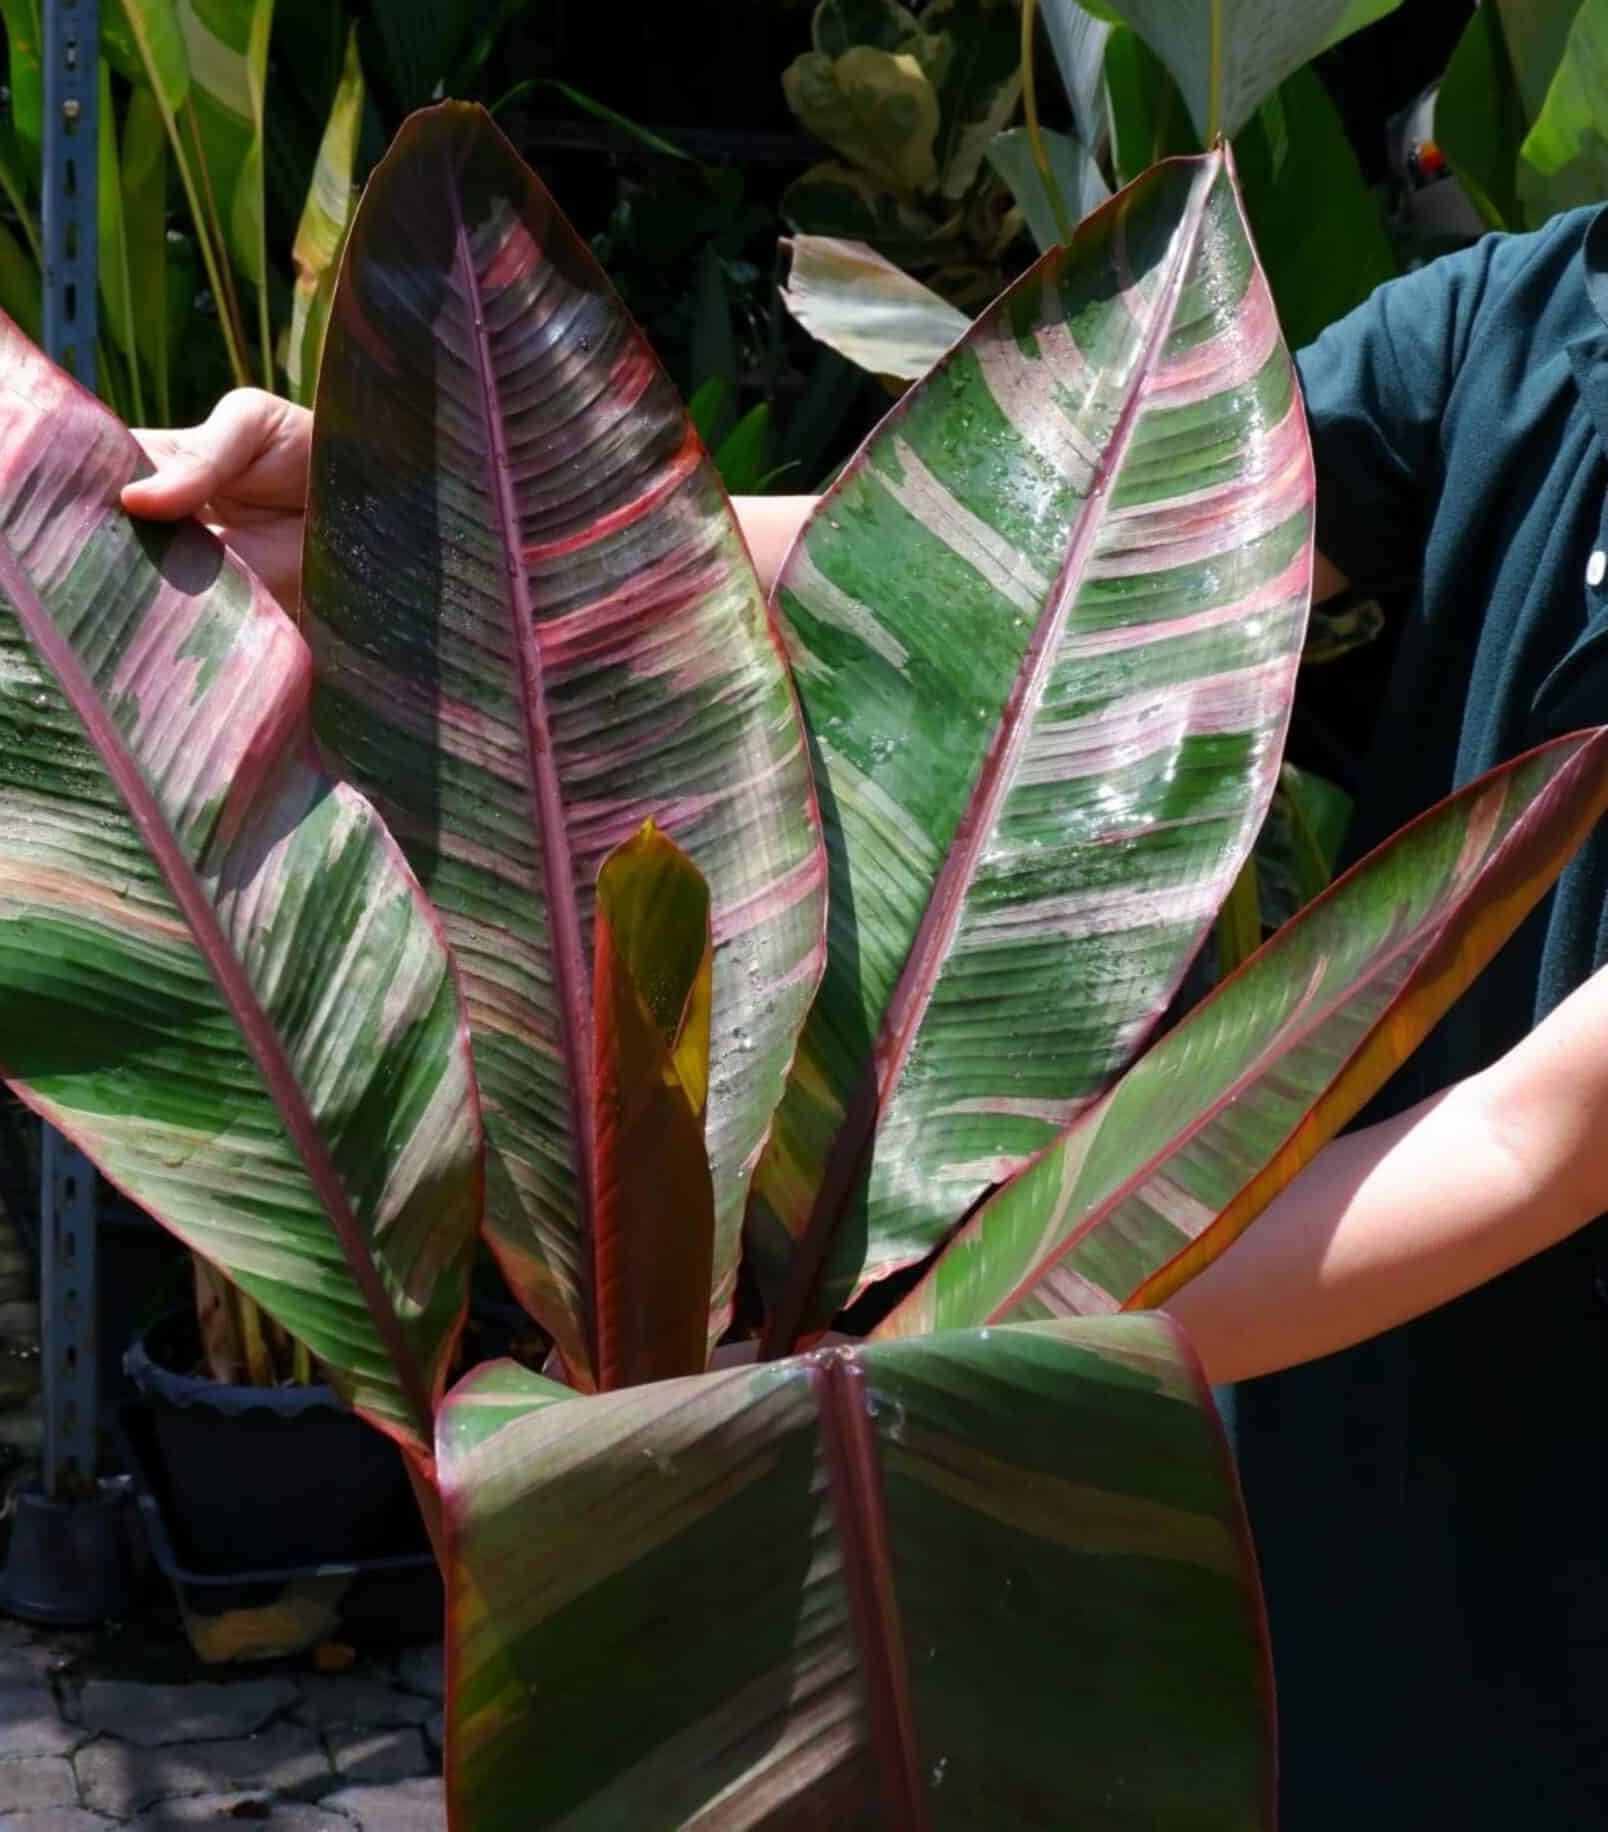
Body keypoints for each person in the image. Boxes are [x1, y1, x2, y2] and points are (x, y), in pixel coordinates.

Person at [124, 206, 1608, 1821]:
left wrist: (892, 1360)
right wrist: (410, 530)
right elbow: (1042, 575)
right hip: (1334, 1487)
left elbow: (1531, 1142)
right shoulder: (1534, 316)